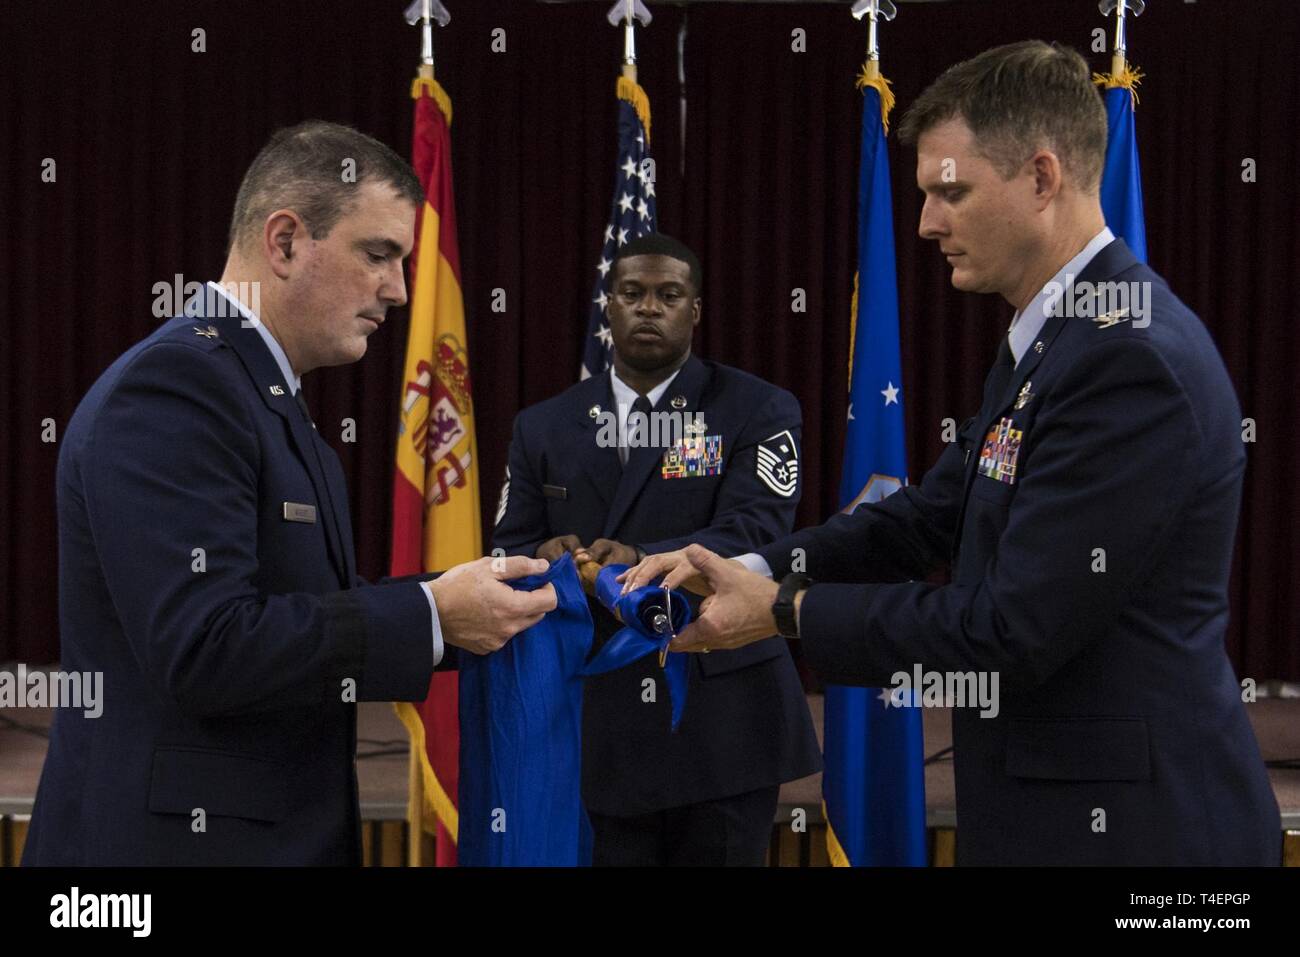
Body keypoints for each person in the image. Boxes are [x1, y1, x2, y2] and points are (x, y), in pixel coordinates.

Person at [623, 43, 1281, 866]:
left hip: (1141, 834)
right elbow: (927, 518)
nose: (927, 222)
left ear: (1041, 178)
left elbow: (1012, 626)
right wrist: (746, 566)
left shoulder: (1127, 358)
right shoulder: (1053, 337)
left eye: (951, 191)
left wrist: (785, 611)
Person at [23, 121, 555, 866]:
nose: (399, 290)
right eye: (378, 254)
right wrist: (432, 613)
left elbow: (299, 605)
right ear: (284, 242)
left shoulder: (255, 389)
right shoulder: (179, 385)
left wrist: (479, 599)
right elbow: (207, 647)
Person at [492, 233, 820, 866]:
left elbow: (760, 531)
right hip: (594, 717)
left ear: (694, 310)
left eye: (668, 295)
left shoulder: (756, 407)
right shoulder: (543, 424)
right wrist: (544, 551)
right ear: (608, 306)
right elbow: (508, 545)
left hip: (719, 715)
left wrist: (642, 555)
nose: (649, 308)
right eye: (632, 293)